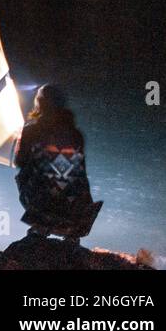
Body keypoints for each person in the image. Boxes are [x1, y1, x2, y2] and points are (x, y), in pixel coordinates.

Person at [14, 85, 102, 241]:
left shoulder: (31, 131)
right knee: (71, 173)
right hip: (73, 203)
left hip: (42, 198)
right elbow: (81, 171)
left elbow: (20, 162)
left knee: (24, 174)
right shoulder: (76, 134)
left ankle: (41, 225)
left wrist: (20, 145)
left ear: (40, 103)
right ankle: (71, 232)